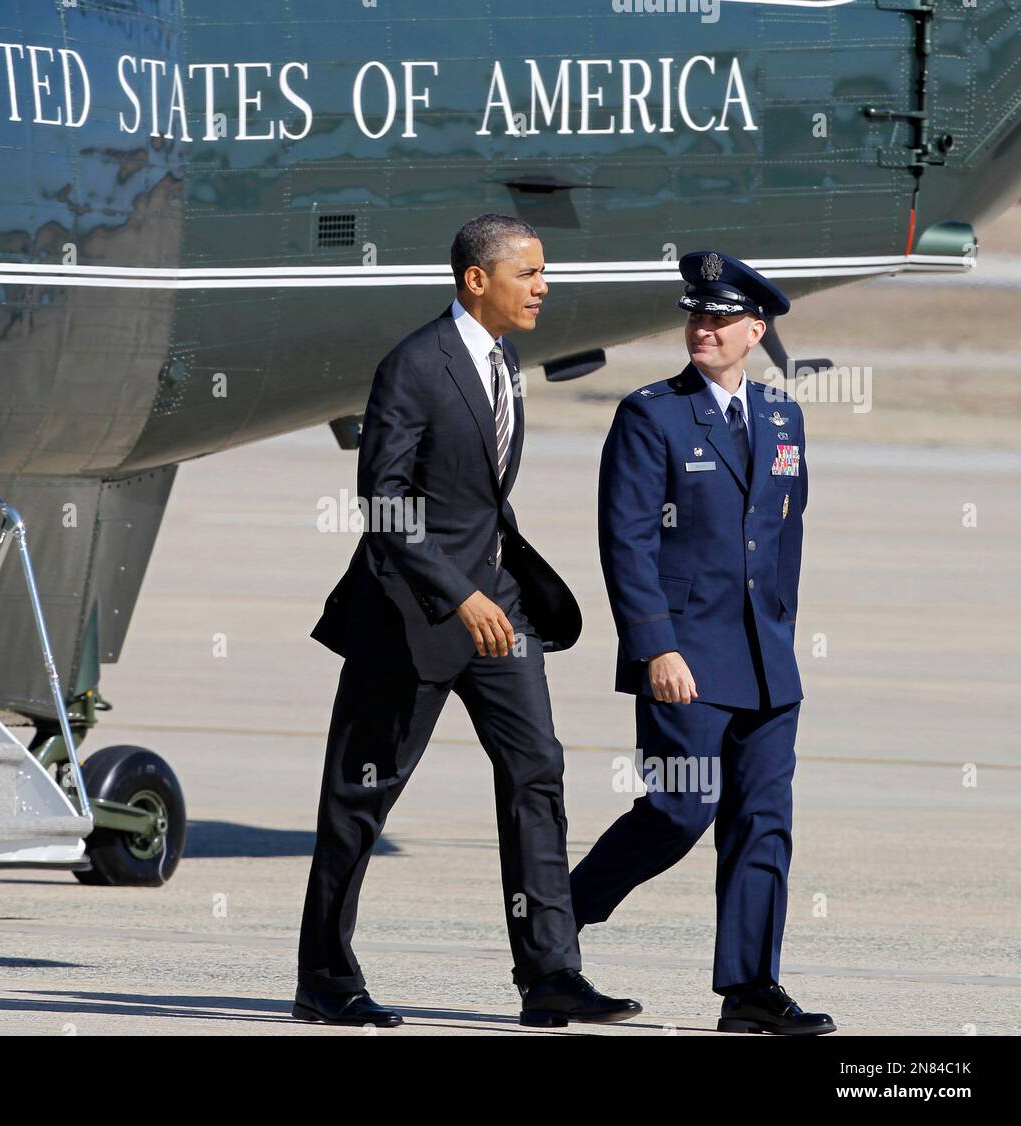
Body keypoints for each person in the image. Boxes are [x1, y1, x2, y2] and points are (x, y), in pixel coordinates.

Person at [295, 214, 641, 1028]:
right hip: (412, 615)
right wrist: (457, 591)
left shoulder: (504, 360)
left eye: (542, 272)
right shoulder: (413, 367)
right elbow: (384, 503)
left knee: (536, 773)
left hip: (500, 612)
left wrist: (493, 588)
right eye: (528, 273)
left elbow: (480, 493)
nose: (543, 287)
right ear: (476, 280)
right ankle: (325, 977)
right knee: (359, 799)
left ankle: (551, 972)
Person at [571, 250, 835, 1035]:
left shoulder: (783, 416)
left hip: (765, 663)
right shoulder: (652, 414)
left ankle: (751, 991)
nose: (705, 330)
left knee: (763, 820)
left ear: (755, 330)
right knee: (680, 808)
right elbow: (625, 544)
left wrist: (782, 629)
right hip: (684, 659)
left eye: (721, 319)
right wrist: (656, 647)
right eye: (697, 316)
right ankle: (555, 920)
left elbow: (785, 536)